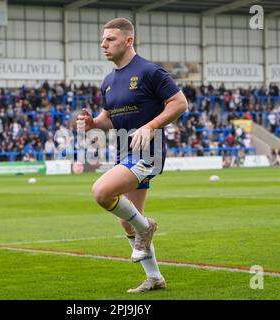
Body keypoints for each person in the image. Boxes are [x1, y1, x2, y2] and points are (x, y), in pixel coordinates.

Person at [77, 18, 188, 293]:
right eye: (103, 40)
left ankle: (146, 227)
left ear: (128, 41)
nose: (104, 45)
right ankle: (155, 278)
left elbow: (179, 103)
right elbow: (109, 118)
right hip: (124, 151)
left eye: (110, 39)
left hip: (148, 152)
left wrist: (151, 125)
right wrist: (94, 123)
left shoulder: (150, 72)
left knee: (101, 192)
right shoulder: (108, 81)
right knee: (127, 220)